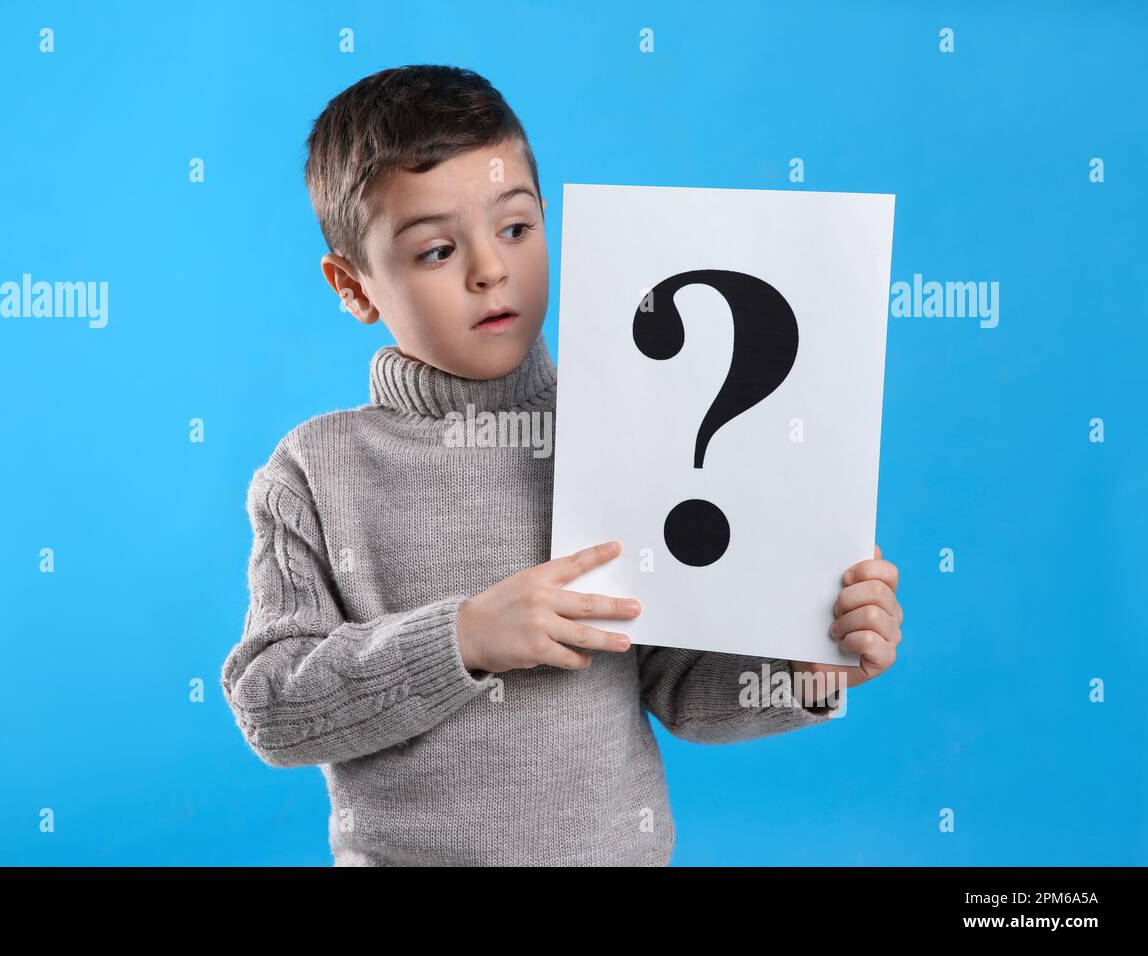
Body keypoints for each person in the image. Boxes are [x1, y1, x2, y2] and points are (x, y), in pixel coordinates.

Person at [220, 64, 904, 866]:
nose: (490, 270)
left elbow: (677, 686)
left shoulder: (632, 425)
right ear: (353, 286)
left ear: (548, 221)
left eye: (515, 230)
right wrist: (463, 639)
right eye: (437, 250)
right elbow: (274, 707)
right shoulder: (314, 470)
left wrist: (803, 667)